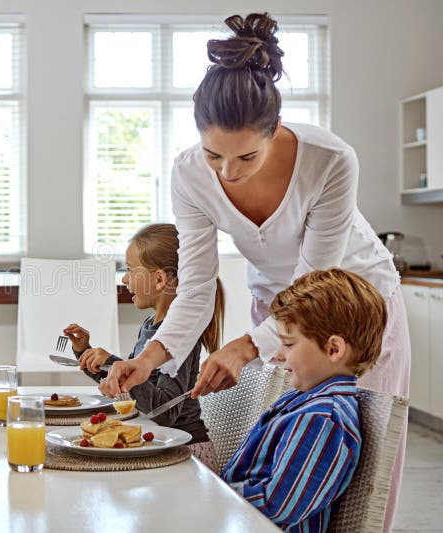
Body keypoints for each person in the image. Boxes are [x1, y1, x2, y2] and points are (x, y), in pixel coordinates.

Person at [99, 13, 410, 530]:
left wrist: (245, 346)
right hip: (280, 311)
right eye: (212, 154)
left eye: (246, 155)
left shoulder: (330, 161)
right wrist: (151, 358)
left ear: (276, 129)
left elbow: (316, 283)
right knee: (286, 443)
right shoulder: (188, 176)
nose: (228, 172)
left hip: (357, 308)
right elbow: (196, 287)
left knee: (361, 467)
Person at [222, 268, 386, 532]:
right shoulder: (304, 400)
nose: (277, 354)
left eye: (288, 344)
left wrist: (218, 497)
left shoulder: (321, 419)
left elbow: (280, 504)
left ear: (333, 349)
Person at [65, 223, 222, 470]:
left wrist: (113, 362)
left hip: (186, 455)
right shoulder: (151, 325)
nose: (125, 279)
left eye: (129, 270)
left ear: (159, 279)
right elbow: (131, 388)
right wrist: (87, 352)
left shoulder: (178, 339)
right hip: (161, 445)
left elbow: (164, 411)